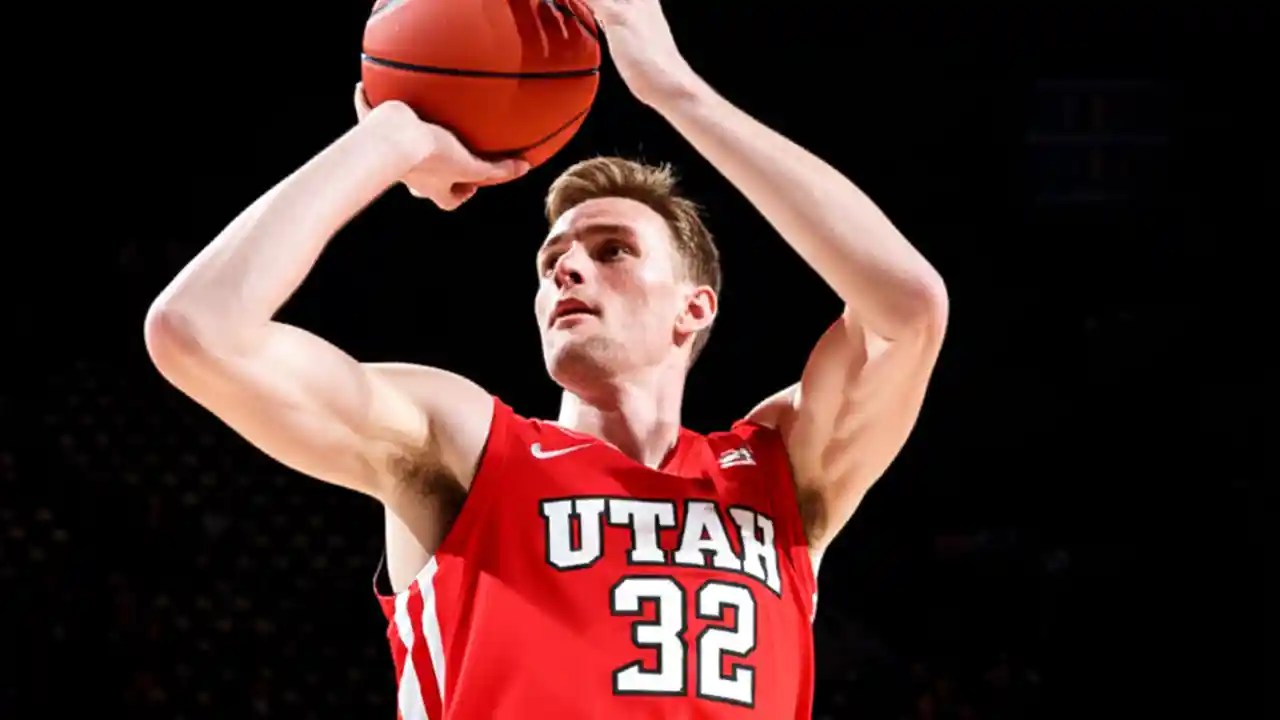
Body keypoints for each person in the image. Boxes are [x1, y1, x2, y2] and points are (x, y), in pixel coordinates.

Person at [143, 1, 948, 717]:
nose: (566, 266)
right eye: (552, 257)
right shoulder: (465, 446)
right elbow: (197, 330)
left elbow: (909, 306)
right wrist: (392, 139)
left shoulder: (776, 472)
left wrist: (676, 89)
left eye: (613, 249)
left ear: (693, 307)